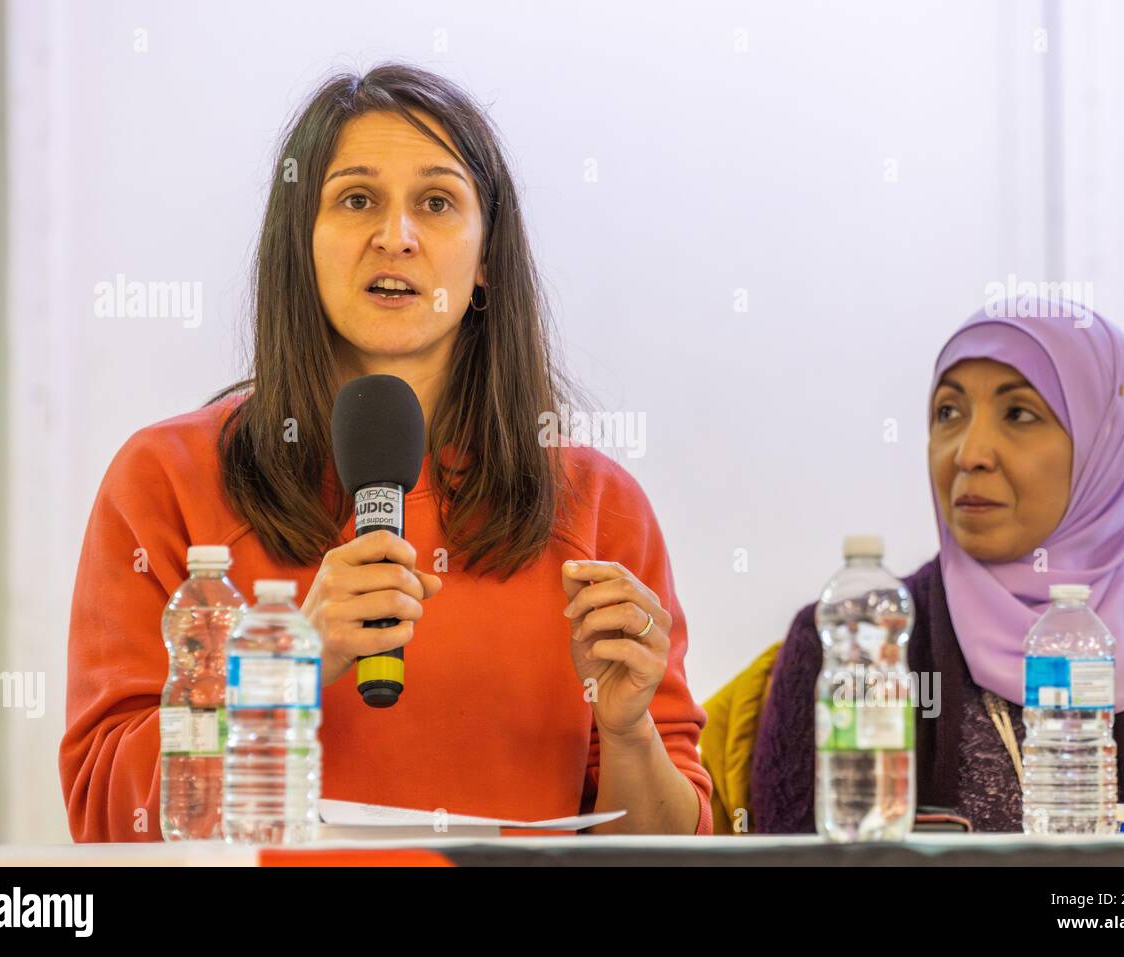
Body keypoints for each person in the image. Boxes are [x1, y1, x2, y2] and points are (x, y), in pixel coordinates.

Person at [59, 64, 711, 841]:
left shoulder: (598, 503)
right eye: (356, 199)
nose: (395, 236)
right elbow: (108, 817)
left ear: (487, 259)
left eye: (436, 203)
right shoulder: (165, 479)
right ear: (300, 245)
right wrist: (286, 669)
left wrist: (630, 731)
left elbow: (675, 847)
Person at [741, 301, 1124, 833]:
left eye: (1019, 414)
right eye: (948, 413)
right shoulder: (858, 641)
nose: (969, 452)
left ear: (1104, 444)